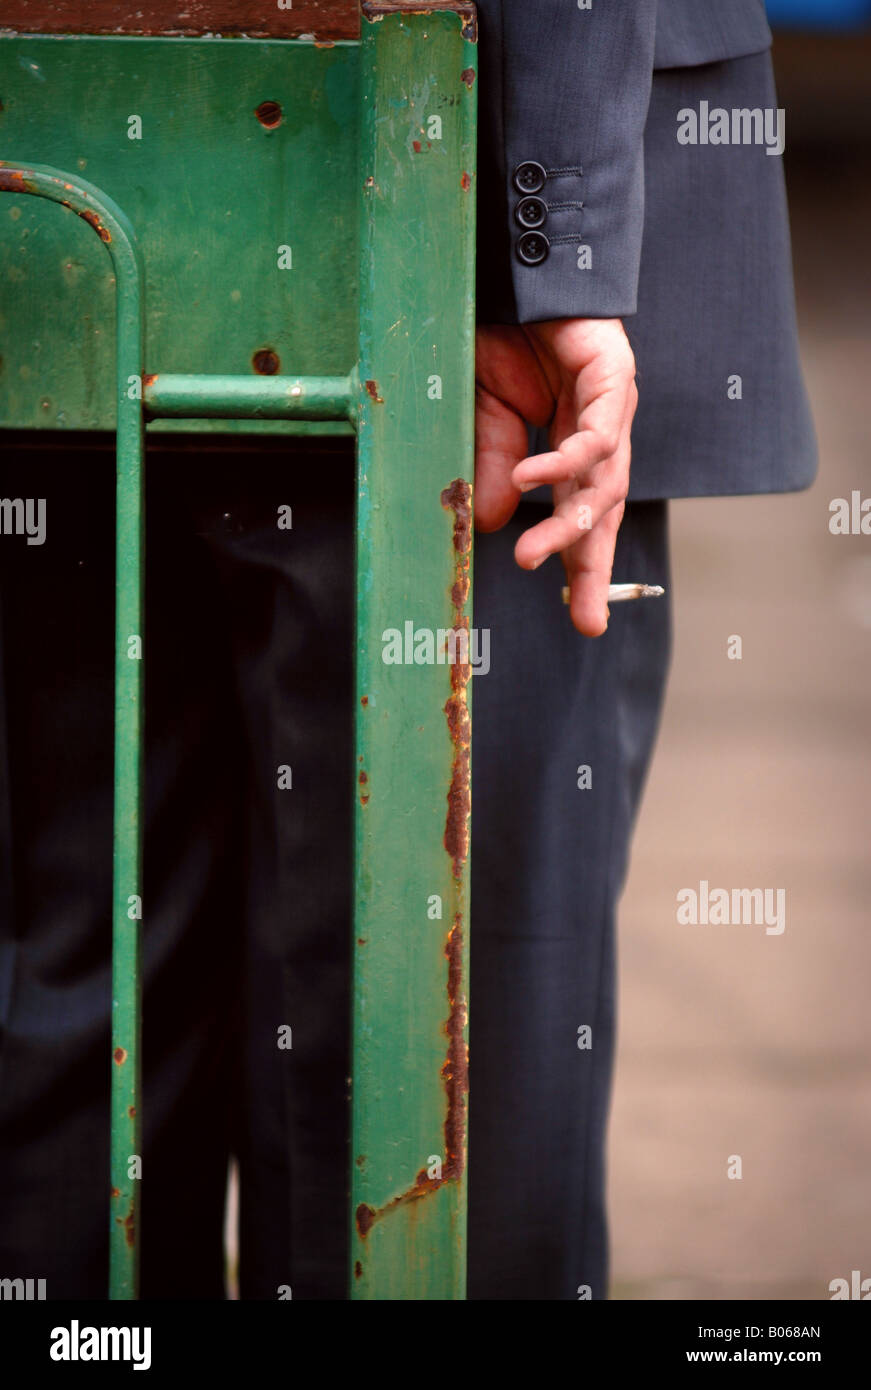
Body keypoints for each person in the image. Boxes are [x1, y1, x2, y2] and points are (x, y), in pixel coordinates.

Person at [0, 0, 815, 1300]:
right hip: (406, 250)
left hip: (103, 207)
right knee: (417, 1052)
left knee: (113, 998)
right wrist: (550, 255)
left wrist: (541, 251)